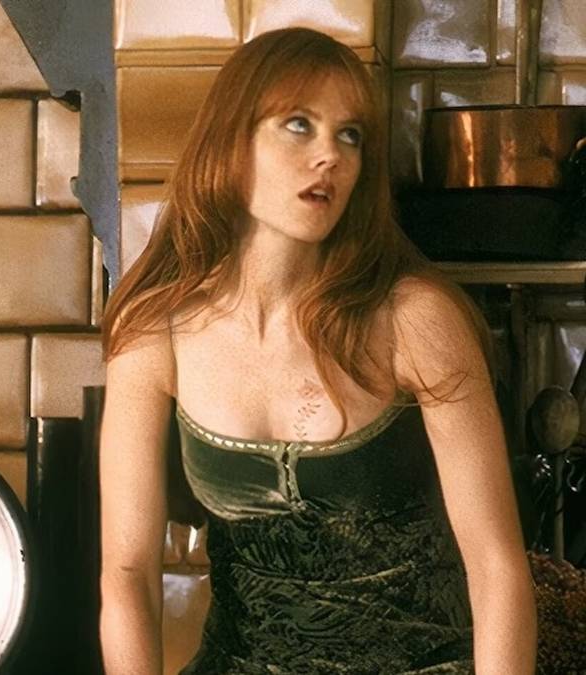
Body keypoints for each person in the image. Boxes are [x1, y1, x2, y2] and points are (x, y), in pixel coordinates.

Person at [98, 28, 536, 674]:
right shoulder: (154, 332)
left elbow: (497, 568)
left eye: (349, 135)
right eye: (298, 125)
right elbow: (127, 572)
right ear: (231, 141)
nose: (329, 154)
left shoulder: (415, 320)